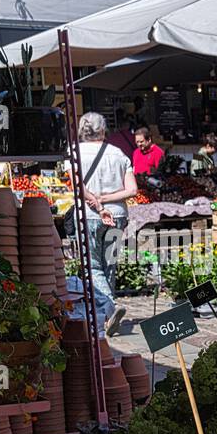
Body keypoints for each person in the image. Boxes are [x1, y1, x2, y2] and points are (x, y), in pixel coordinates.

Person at [75, 112, 137, 338]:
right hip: (118, 215)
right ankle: (109, 316)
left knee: (93, 265)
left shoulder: (75, 152)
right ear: (103, 130)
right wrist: (108, 200)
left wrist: (97, 202)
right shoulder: (119, 153)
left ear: (82, 129)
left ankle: (109, 306)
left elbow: (77, 186)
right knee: (109, 264)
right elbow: (132, 190)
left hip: (89, 215)